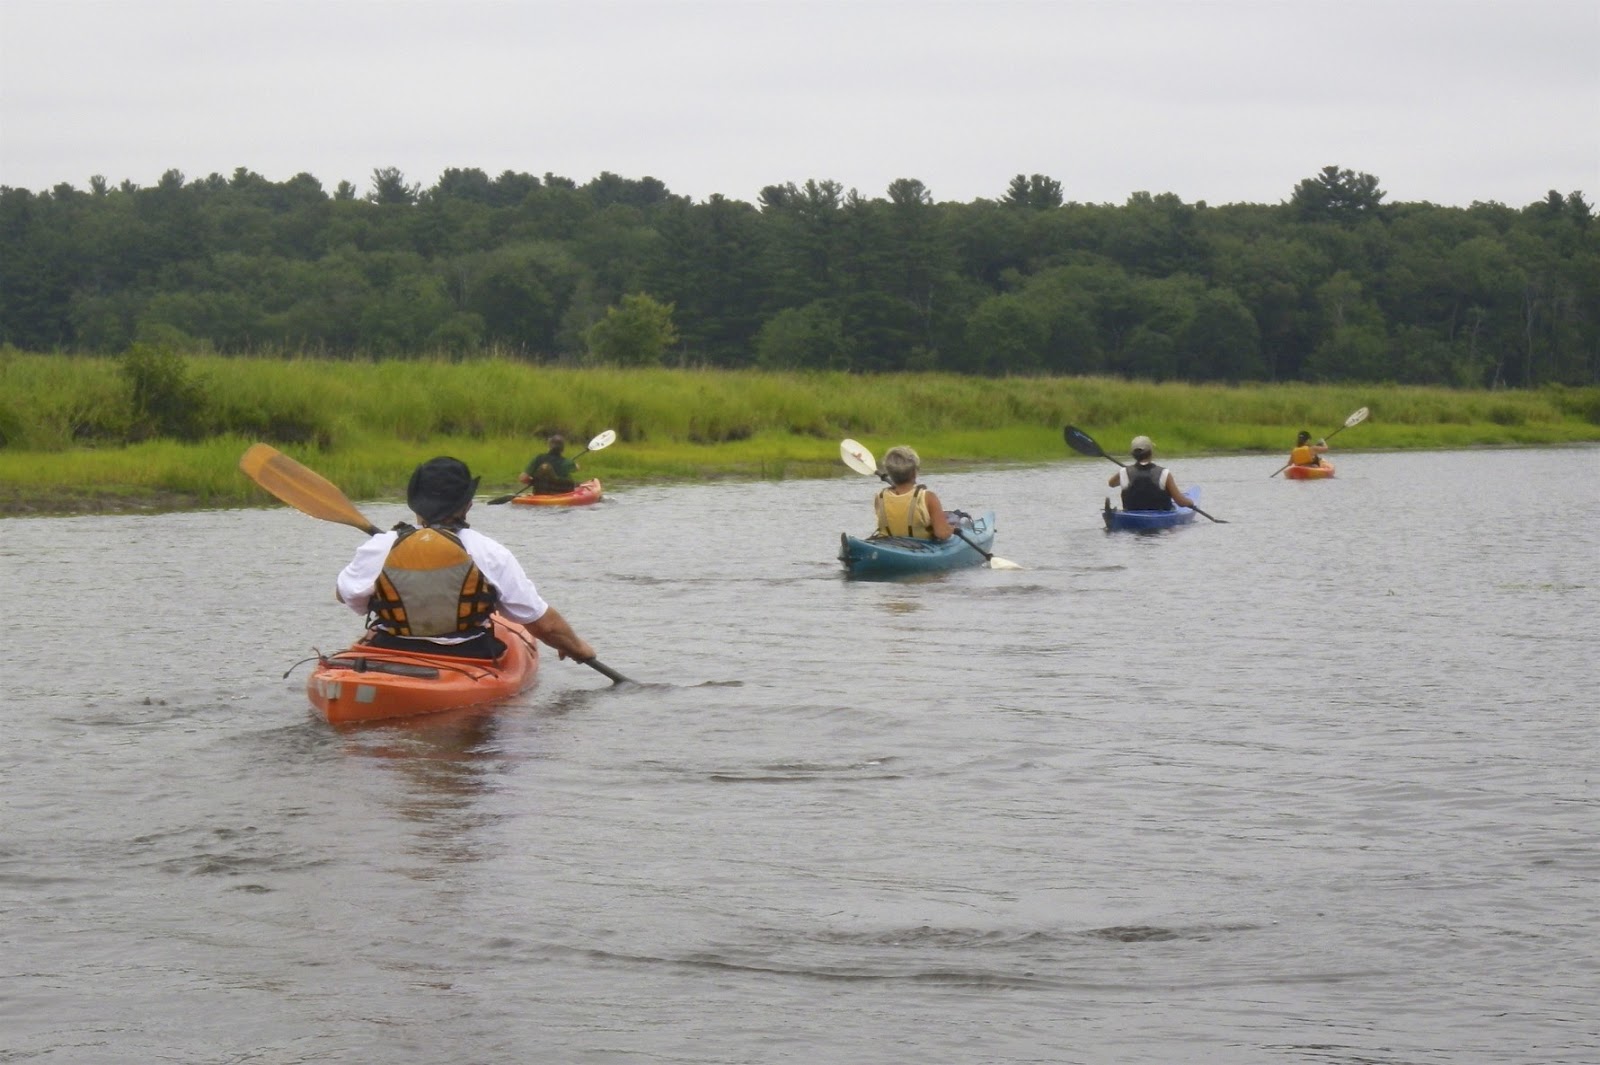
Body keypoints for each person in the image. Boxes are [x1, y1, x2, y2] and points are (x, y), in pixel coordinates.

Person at [336, 456, 596, 663]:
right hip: (466, 655)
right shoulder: (490, 552)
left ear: (414, 505)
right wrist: (576, 647)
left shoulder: (380, 546)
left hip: (391, 648)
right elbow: (542, 623)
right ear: (468, 504)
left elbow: (343, 594)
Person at [874, 445, 954, 540]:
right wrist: (951, 529)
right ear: (914, 472)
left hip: (891, 546)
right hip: (921, 549)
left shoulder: (880, 497)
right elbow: (942, 534)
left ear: (890, 473)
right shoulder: (928, 497)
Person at [1107, 435, 1197, 511]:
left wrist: (1127, 472)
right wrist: (1190, 502)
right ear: (1151, 452)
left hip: (1131, 514)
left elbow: (1111, 483)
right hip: (1160, 516)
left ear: (1133, 455)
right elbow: (1180, 502)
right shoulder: (1164, 473)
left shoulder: (1124, 472)